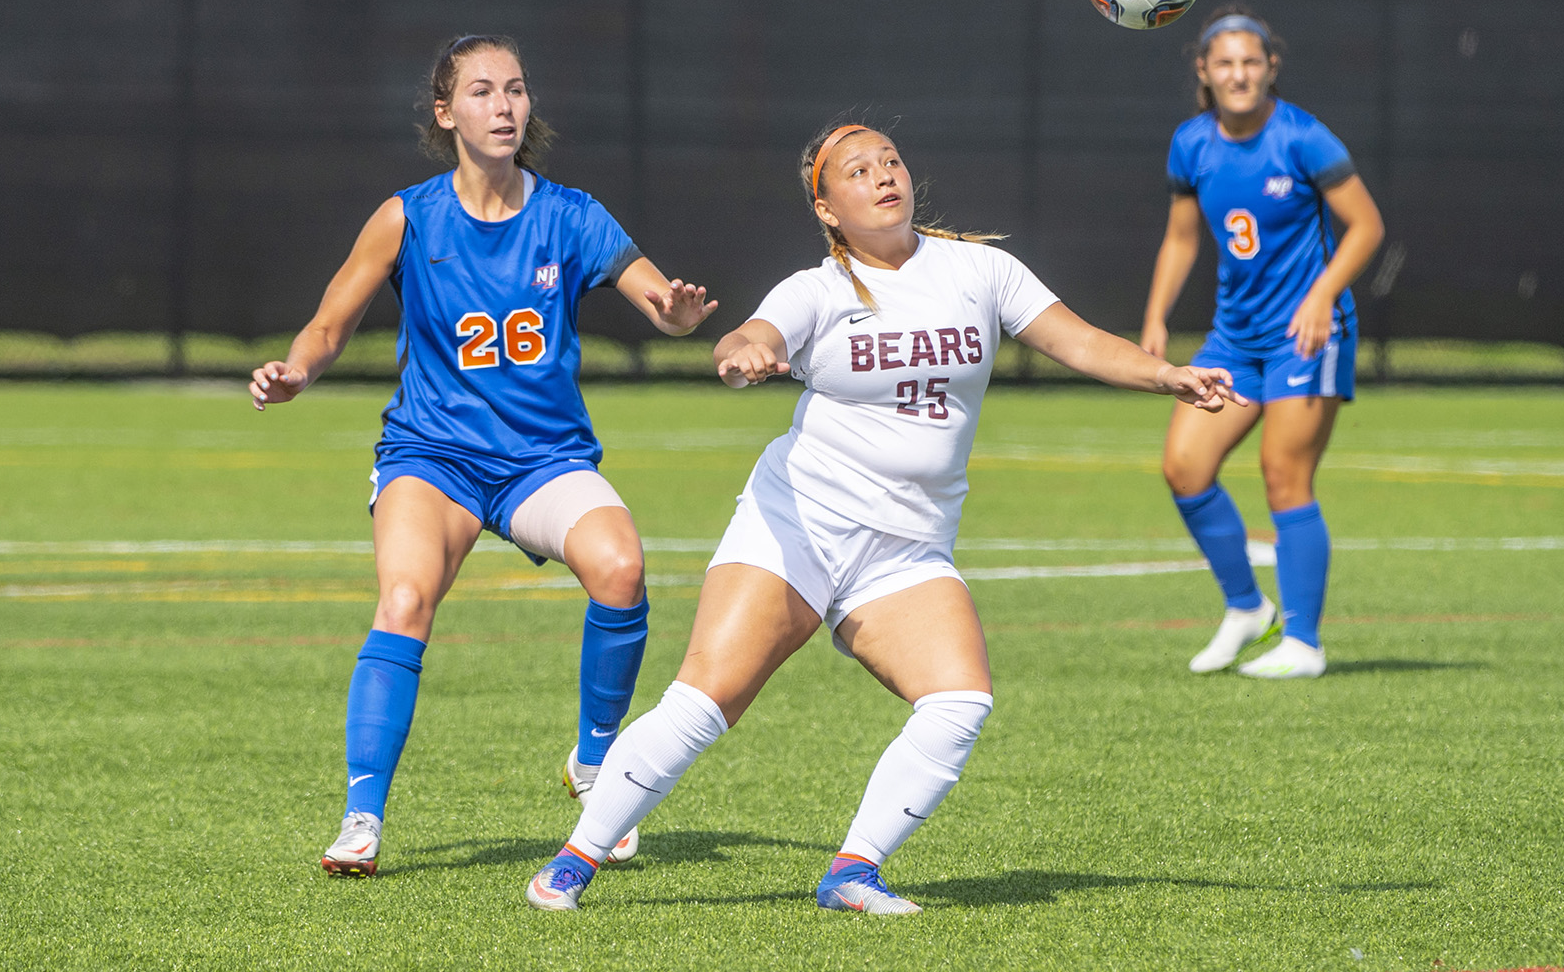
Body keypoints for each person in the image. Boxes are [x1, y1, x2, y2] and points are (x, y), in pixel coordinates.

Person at [521, 121, 1241, 913]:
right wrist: (741, 354)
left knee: (960, 700)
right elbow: (752, 334)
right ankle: (575, 859)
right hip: (797, 526)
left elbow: (1082, 342)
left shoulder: (981, 270)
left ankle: (851, 873)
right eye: (857, 172)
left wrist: (1168, 375)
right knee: (705, 702)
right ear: (827, 208)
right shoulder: (816, 290)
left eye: (889, 162)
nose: (882, 176)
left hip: (905, 549)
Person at [247, 34, 717, 876]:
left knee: (621, 567)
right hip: (434, 457)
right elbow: (327, 325)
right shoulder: (408, 215)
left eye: (516, 90)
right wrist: (295, 372)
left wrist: (677, 314)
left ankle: (593, 763)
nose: (503, 106)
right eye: (482, 91)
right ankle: (361, 819)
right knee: (405, 596)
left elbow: (658, 298)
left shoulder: (571, 216)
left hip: (542, 458)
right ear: (445, 111)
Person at [1140, 7, 1385, 679]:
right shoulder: (1191, 143)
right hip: (1234, 338)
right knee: (1184, 468)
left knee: (1285, 478)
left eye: (1251, 62)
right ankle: (1247, 608)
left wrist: (1320, 294)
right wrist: (1157, 315)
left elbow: (1366, 226)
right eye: (1225, 63)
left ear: (1271, 67)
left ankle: (1304, 643)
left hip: (1307, 335)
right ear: (1204, 71)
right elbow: (1183, 236)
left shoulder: (1303, 138)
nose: (1238, 74)